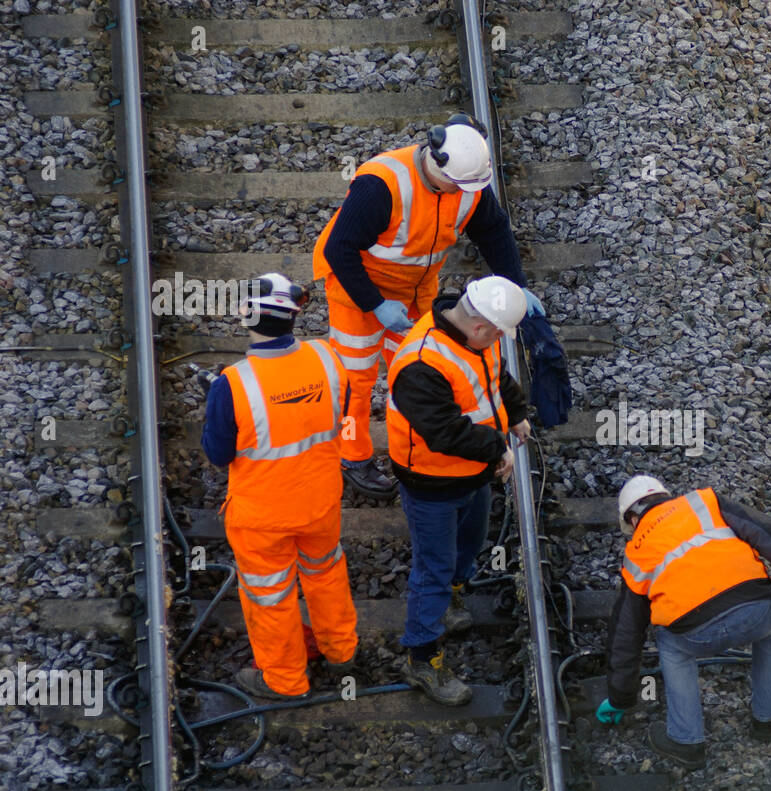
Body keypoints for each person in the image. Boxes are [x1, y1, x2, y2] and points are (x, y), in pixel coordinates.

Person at [313, 114, 569, 499]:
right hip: (358, 292)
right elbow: (339, 249)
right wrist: (376, 305)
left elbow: (493, 230)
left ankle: (427, 447)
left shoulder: (467, 181)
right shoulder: (381, 185)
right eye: (459, 186)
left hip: (416, 293)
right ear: (438, 165)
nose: (465, 193)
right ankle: (352, 455)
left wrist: (516, 284)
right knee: (355, 381)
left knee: (425, 373)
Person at [596, 477, 771, 770]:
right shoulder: (704, 502)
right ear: (664, 496)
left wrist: (620, 696)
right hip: (756, 611)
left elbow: (627, 632)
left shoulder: (637, 551)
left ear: (633, 518)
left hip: (695, 634)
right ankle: (767, 720)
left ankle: (686, 742)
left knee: (669, 642)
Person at [200, 273, 358, 700]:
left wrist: (215, 399)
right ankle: (341, 650)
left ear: (245, 316)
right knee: (325, 571)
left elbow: (218, 453)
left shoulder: (232, 385)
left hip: (263, 517)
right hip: (321, 500)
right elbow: (335, 411)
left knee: (270, 595)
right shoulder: (328, 358)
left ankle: (285, 680)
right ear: (295, 314)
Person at [386, 275, 531, 705]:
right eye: (499, 334)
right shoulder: (421, 364)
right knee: (433, 567)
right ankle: (421, 657)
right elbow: (444, 432)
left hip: (471, 475)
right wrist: (497, 450)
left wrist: (516, 411)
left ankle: (453, 595)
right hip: (431, 482)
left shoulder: (472, 340)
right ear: (483, 327)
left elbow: (493, 378)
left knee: (468, 542)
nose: (499, 342)